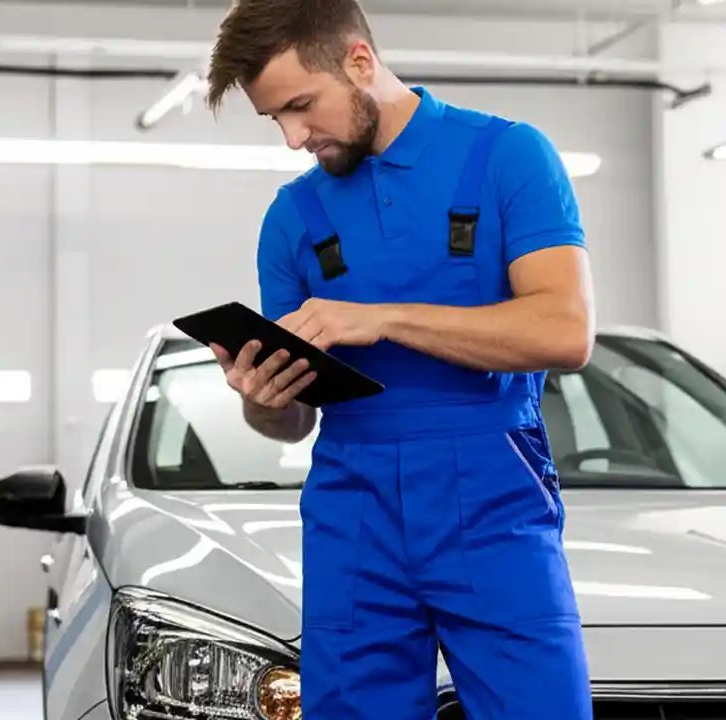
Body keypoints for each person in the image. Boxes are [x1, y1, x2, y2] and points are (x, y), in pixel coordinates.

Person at [203, 1, 596, 718]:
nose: (294, 138)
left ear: (358, 61)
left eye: (300, 106)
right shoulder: (293, 217)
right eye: (275, 120)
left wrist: (381, 317)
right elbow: (292, 423)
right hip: (353, 511)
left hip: (494, 494)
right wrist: (263, 399)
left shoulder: (506, 156)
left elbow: (565, 330)